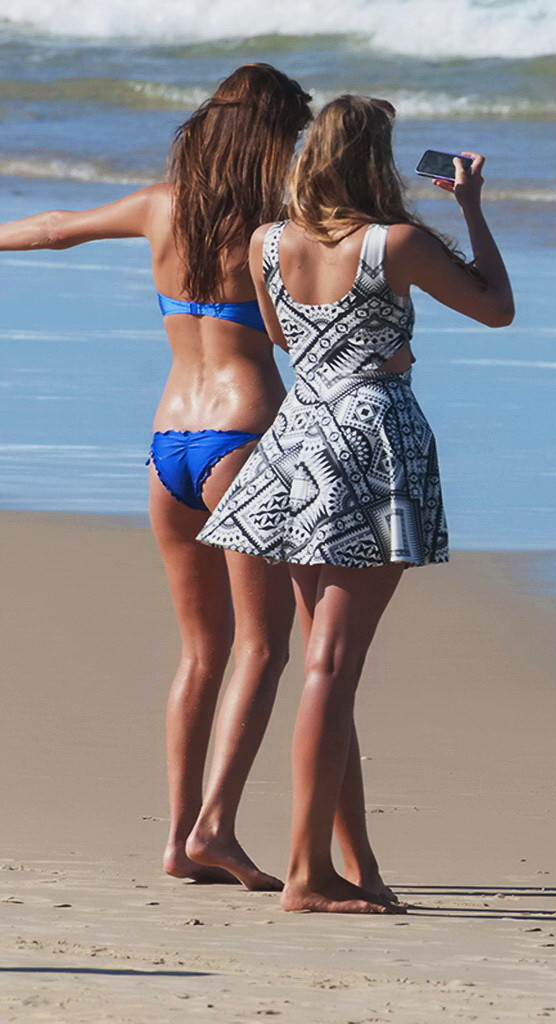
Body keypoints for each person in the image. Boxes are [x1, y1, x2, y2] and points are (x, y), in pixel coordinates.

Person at [0, 64, 317, 890]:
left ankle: (179, 840)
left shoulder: (159, 206)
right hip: (242, 438)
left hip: (167, 444)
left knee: (200, 652)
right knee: (263, 646)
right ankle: (216, 826)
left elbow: (56, 227)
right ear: (273, 138)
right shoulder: (275, 227)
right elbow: (293, 337)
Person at [198, 95, 514, 914]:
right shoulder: (396, 243)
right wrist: (472, 210)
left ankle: (355, 863)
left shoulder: (267, 240)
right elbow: (496, 307)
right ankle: (307, 876)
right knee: (332, 669)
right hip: (371, 434)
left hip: (298, 434)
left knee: (321, 671)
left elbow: (277, 334)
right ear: (376, 158)